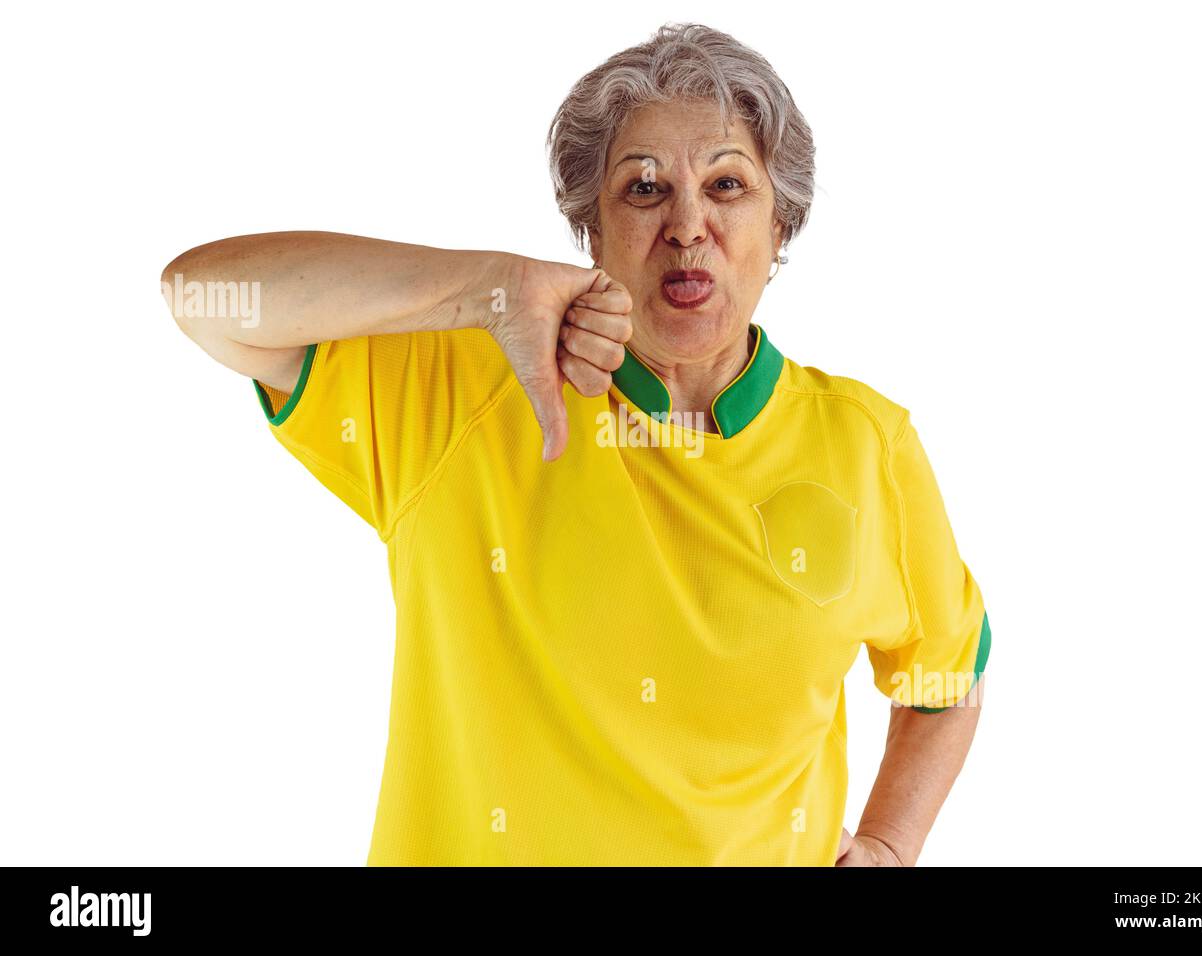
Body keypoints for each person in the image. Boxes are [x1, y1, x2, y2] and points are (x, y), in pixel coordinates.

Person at [162, 22, 990, 867]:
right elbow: (202, 297)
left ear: (782, 229)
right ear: (589, 232)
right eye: (642, 188)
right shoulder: (471, 392)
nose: (687, 224)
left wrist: (890, 841)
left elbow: (943, 681)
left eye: (728, 184)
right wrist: (492, 288)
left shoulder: (867, 446)